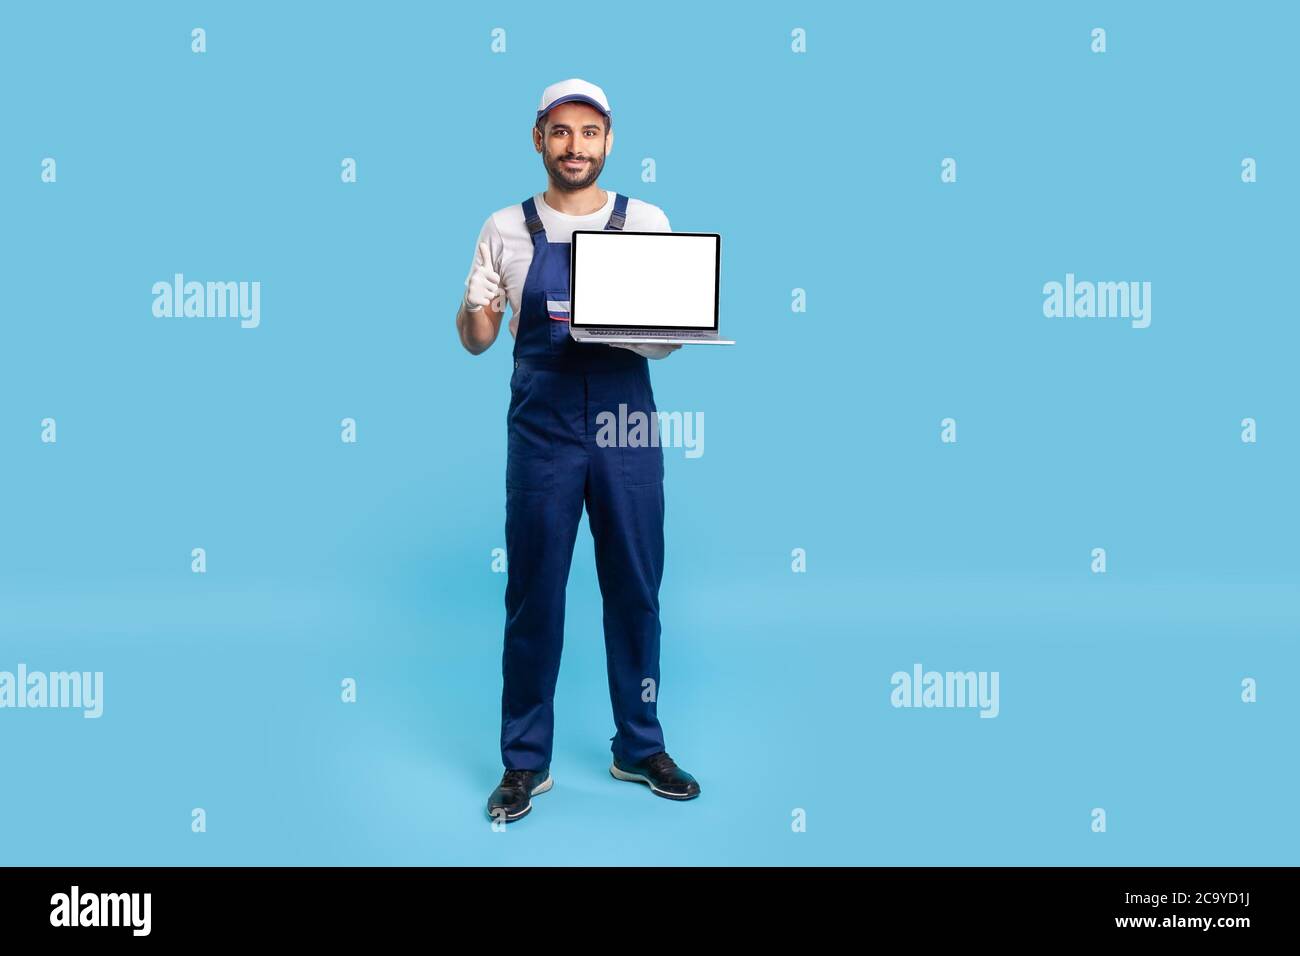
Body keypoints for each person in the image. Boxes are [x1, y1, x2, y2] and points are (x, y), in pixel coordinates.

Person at [458, 78, 701, 823]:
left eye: (589, 133)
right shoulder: (504, 226)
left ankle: (639, 745)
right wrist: (479, 313)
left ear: (609, 141)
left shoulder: (646, 221)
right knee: (535, 592)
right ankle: (524, 762)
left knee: (635, 585)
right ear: (539, 139)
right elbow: (474, 341)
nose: (575, 146)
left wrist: (666, 321)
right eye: (560, 132)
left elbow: (666, 344)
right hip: (543, 429)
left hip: (626, 424)